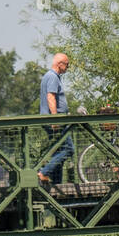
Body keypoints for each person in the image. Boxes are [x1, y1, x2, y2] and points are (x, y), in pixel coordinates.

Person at [38, 52, 74, 183]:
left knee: (58, 151)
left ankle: (56, 183)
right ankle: (44, 172)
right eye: (67, 65)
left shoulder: (48, 76)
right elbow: (51, 97)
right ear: (60, 64)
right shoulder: (53, 77)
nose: (68, 68)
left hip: (51, 120)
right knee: (69, 149)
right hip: (54, 121)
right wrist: (55, 119)